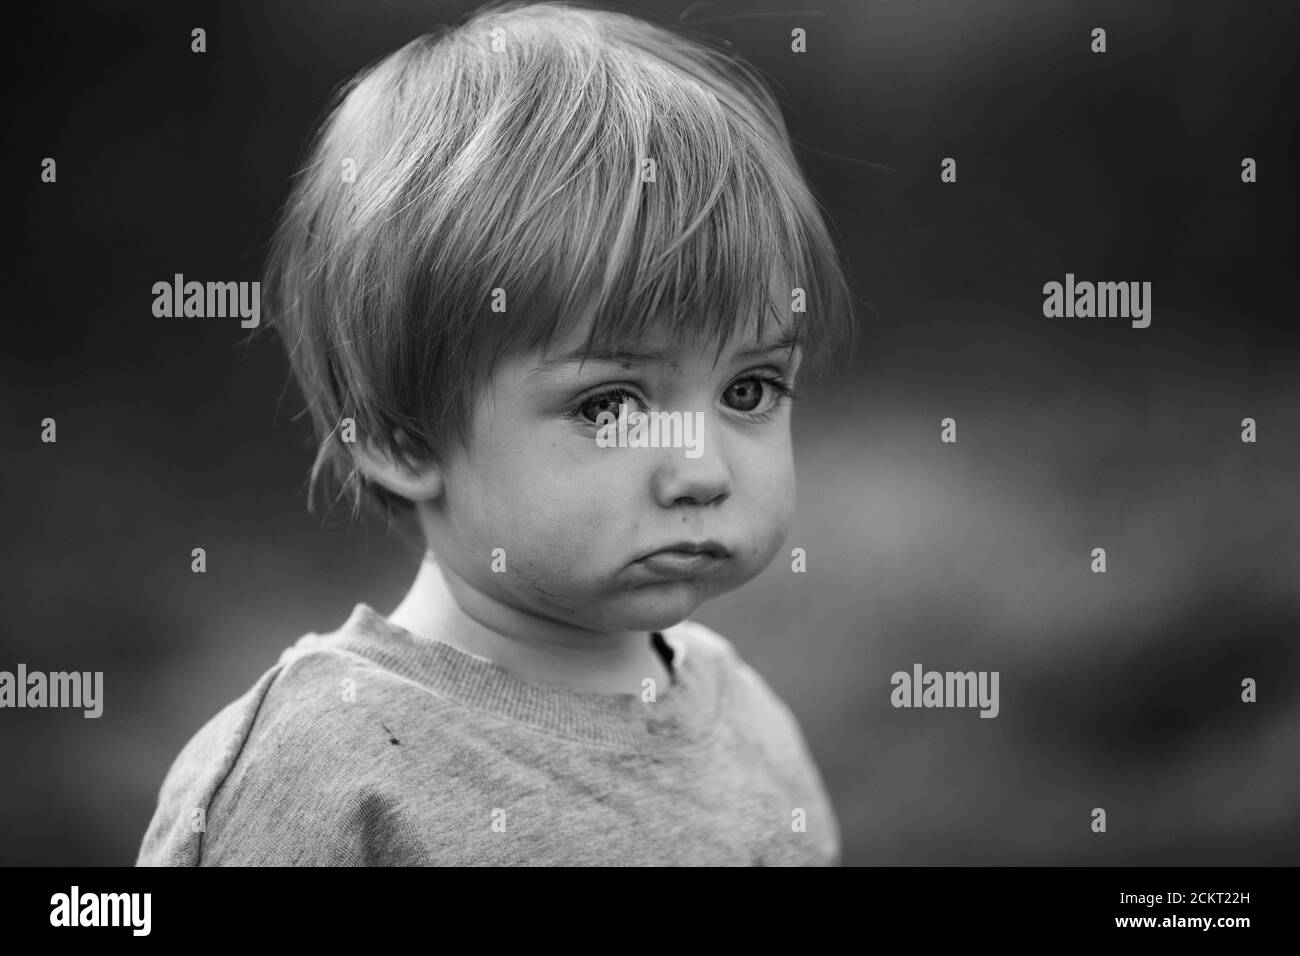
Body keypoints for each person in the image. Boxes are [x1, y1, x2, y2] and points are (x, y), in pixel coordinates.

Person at [138, 0, 856, 866]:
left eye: (750, 388)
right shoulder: (322, 770)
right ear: (402, 437)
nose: (701, 471)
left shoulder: (745, 720)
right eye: (611, 407)